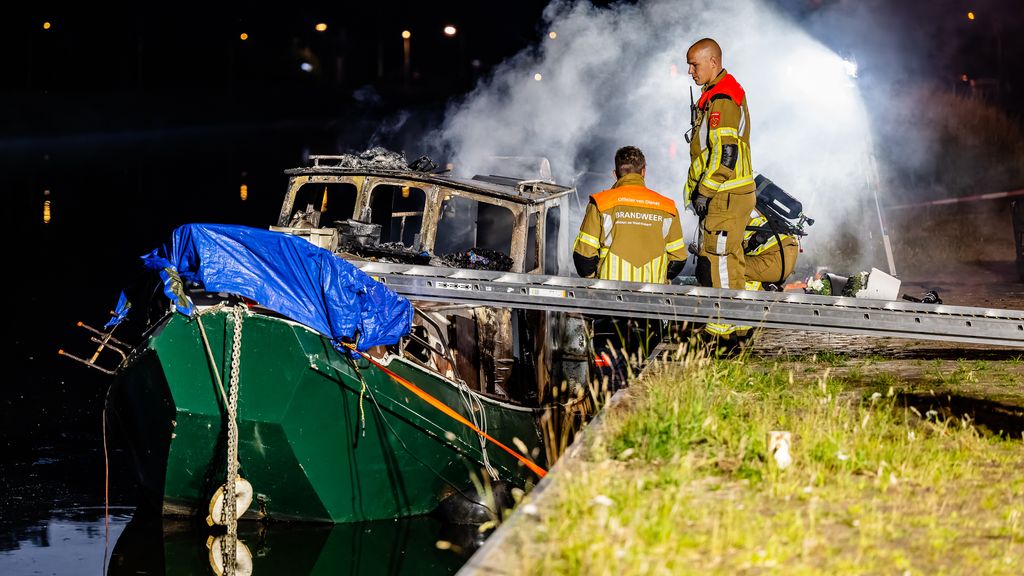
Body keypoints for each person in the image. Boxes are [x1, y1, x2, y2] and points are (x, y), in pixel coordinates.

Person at [573, 146, 688, 386]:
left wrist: (595, 277)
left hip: (608, 306)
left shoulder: (602, 203)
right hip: (651, 307)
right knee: (644, 370)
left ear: (615, 174)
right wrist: (658, 276)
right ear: (644, 171)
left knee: (610, 377)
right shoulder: (667, 207)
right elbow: (678, 259)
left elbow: (584, 258)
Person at [685, 37, 757, 341]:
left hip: (725, 195)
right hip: (731, 194)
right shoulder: (717, 95)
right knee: (732, 258)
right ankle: (738, 324)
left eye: (694, 64)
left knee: (720, 260)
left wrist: (705, 191)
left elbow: (726, 155)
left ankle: (725, 331)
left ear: (713, 62)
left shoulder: (722, 100)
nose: (690, 71)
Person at [742, 207, 800, 291]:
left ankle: (762, 294)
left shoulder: (730, 209)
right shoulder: (750, 202)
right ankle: (767, 286)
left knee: (729, 267)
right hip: (787, 251)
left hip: (773, 258)